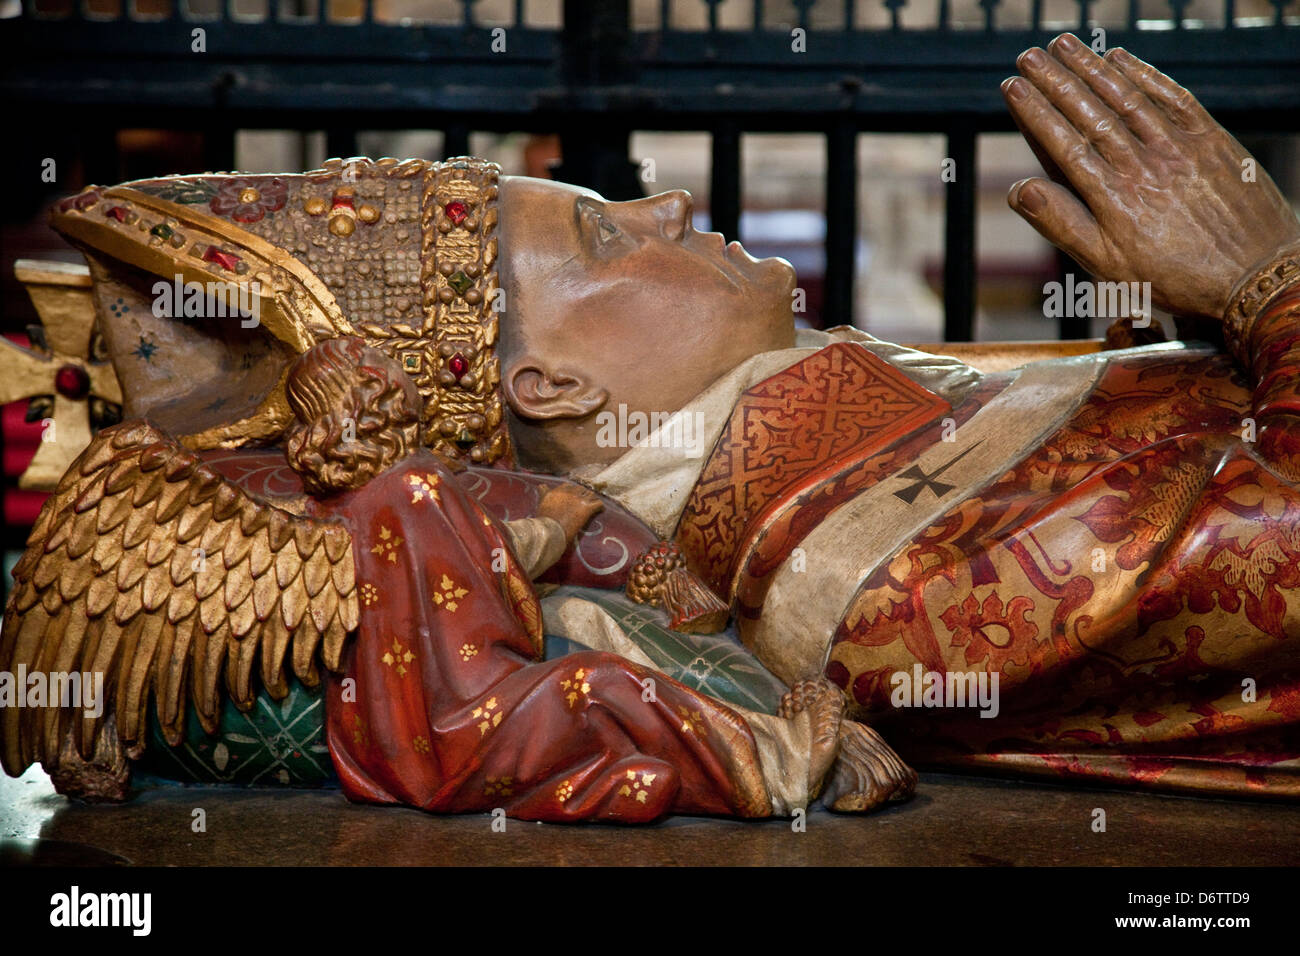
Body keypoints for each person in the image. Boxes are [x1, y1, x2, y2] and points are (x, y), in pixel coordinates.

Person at [32, 36, 1300, 804]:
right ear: (549, 393)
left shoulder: (866, 422)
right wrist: (1266, 281)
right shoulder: (869, 580)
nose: (671, 204)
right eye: (602, 228)